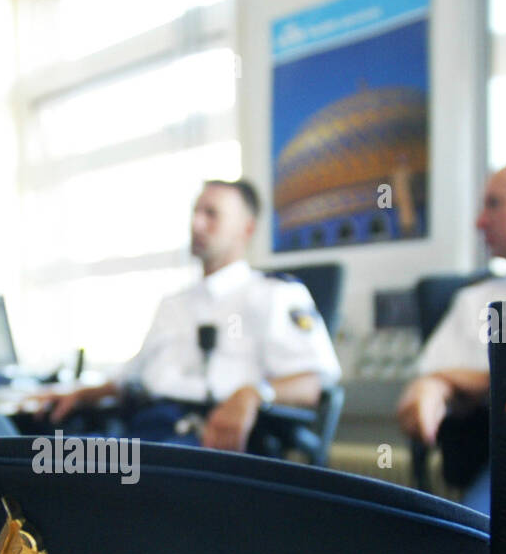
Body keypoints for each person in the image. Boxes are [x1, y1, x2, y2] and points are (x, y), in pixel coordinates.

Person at [39, 180, 341, 453]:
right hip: (142, 432)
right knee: (48, 458)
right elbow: (128, 380)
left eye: (212, 214)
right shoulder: (173, 304)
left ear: (246, 229)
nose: (196, 223)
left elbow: (310, 385)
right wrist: (78, 395)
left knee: (102, 478)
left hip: (208, 438)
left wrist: (252, 394)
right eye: (196, 212)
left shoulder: (274, 295)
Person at [396, 160, 506, 511]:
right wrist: (436, 386)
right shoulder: (476, 299)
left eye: (494, 203)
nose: (479, 221)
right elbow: (431, 380)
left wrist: (467, 380)